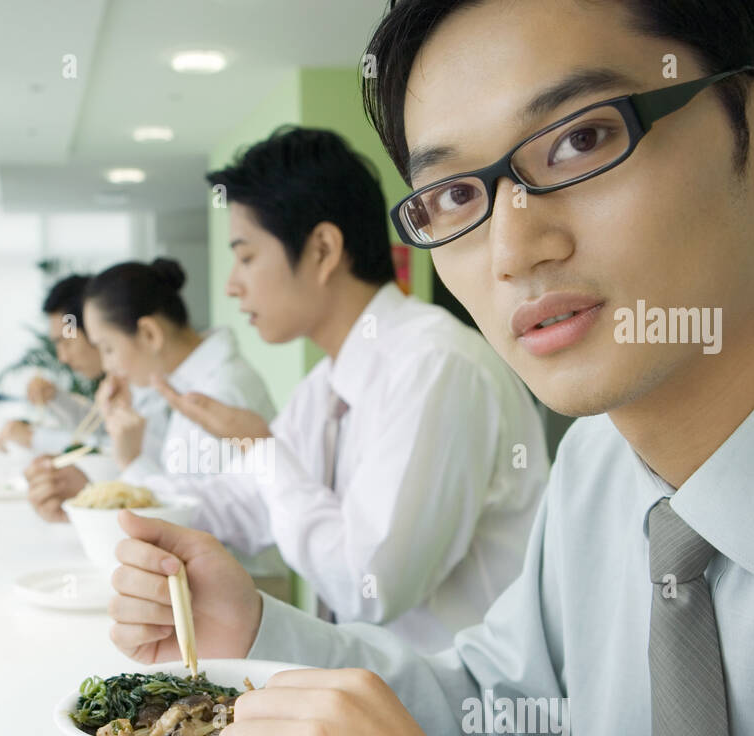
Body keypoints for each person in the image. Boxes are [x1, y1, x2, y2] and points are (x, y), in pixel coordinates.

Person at [106, 0, 754, 736]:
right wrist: (260, 640)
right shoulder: (596, 467)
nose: (513, 249)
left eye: (582, 140)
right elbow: (505, 720)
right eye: (454, 196)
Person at [142, 126, 548, 652]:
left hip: (458, 721)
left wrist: (263, 449)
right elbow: (245, 505)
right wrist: (117, 501)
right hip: (370, 697)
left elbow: (367, 586)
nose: (231, 285)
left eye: (245, 256)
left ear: (323, 250)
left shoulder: (435, 366)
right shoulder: (326, 384)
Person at [25, 259, 279, 564]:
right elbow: (178, 476)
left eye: (107, 348)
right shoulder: (180, 383)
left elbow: (198, 523)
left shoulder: (220, 393)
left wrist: (121, 472)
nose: (107, 365)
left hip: (239, 584)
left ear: (149, 334)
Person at [0, 274, 105, 455]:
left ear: (94, 327)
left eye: (67, 343)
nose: (62, 358)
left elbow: (111, 447)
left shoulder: (142, 381)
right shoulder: (118, 380)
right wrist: (54, 397)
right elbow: (101, 427)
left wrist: (34, 438)